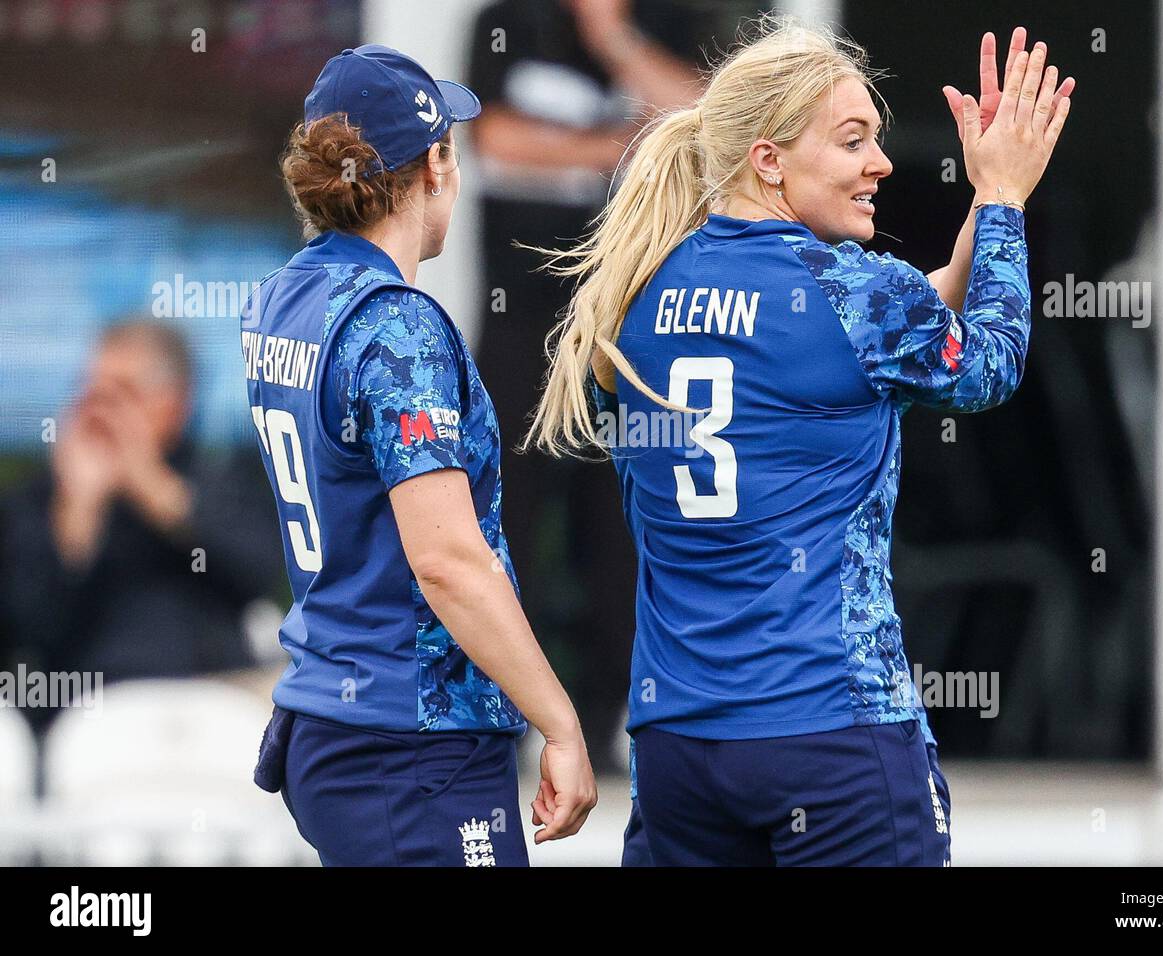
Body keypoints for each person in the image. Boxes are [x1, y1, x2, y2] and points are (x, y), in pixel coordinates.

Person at [527, 19, 1073, 865]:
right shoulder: (851, 297)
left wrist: (987, 201)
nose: (881, 163)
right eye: (852, 139)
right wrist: (1001, 201)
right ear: (769, 160)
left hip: (679, 748)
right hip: (832, 736)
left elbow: (890, 329)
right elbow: (986, 366)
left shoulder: (636, 286)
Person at [245, 44, 595, 867]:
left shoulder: (282, 295)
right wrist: (560, 720)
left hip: (333, 720)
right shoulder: (397, 324)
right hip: (410, 741)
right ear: (435, 162)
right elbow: (445, 560)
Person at [467, 0, 704, 772]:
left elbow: (703, 120)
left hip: (626, 325)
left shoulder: (668, 21)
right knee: (504, 524)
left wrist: (615, 39)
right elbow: (492, 136)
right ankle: (502, 719)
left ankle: (612, 721)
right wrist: (614, 148)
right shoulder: (506, 21)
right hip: (518, 321)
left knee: (622, 530)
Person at [0, 319, 283, 732]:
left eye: (124, 395)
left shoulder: (219, 477)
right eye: (93, 394)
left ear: (177, 402)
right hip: (86, 716)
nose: (103, 413)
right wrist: (77, 512)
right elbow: (26, 625)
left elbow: (259, 572)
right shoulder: (43, 496)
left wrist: (154, 490)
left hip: (214, 703)